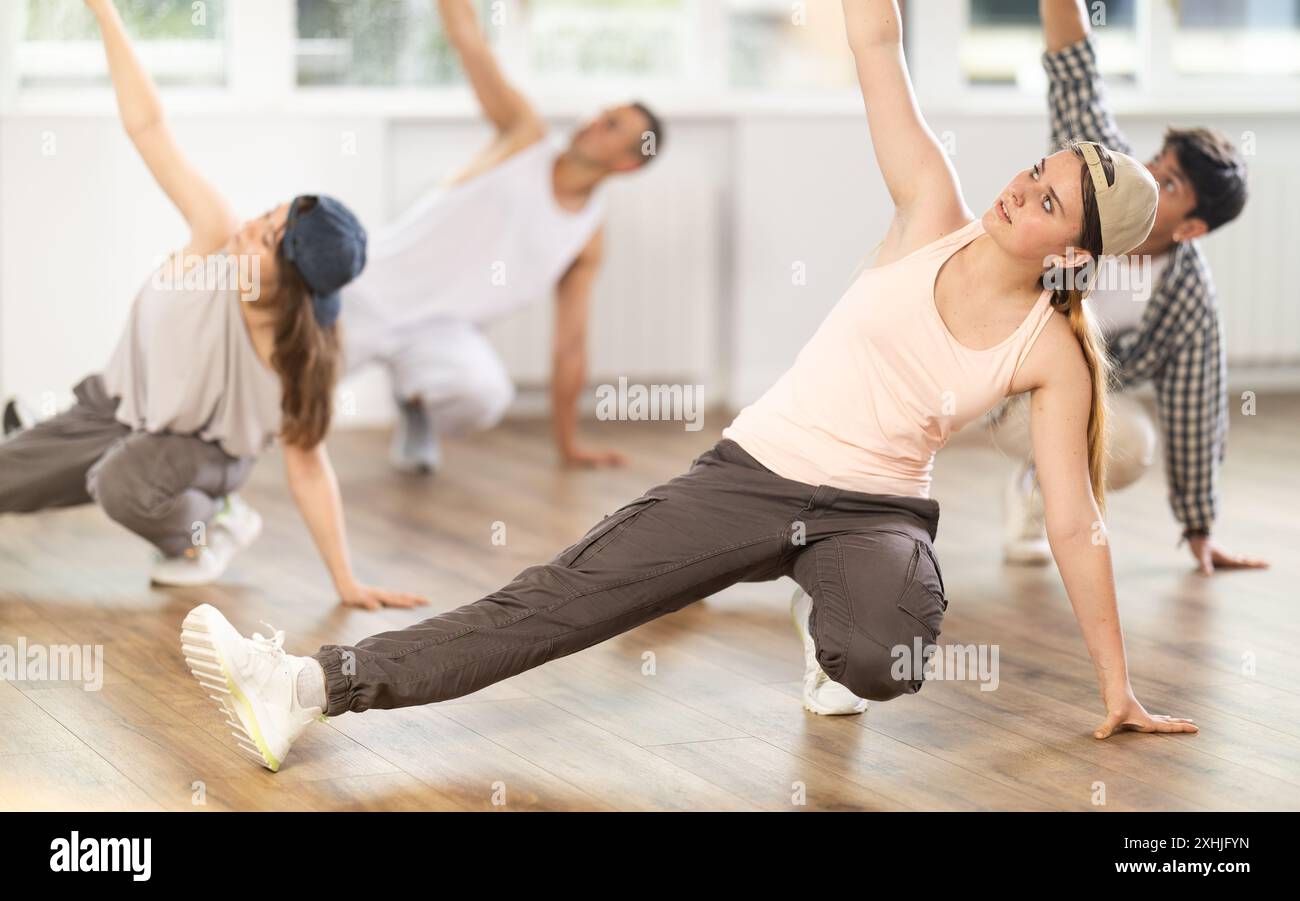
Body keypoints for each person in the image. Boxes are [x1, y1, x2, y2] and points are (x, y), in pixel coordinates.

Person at [179, 0, 1197, 775]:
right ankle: (305, 684)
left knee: (883, 657)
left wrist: (1116, 686)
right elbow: (877, 48)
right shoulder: (933, 205)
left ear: (1078, 248)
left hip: (875, 513)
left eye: (1047, 199)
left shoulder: (1049, 350)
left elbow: (1076, 524)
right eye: (1033, 169)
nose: (1020, 188)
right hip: (749, 473)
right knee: (553, 604)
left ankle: (830, 623)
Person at [0, 0, 426, 610]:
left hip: (199, 457)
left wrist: (345, 582)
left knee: (122, 482)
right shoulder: (216, 231)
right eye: (270, 212)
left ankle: (210, 528)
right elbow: (148, 127)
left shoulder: (294, 363)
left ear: (293, 283)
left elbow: (308, 469)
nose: (252, 223)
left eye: (269, 237)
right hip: (111, 412)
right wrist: (104, 12)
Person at [993, 0, 1266, 576]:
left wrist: (1199, 528)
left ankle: (1038, 484)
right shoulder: (1106, 179)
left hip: (1060, 394)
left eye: (1168, 183)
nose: (1148, 177)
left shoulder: (1188, 300)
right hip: (996, 360)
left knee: (1132, 444)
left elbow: (1196, 408)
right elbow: (1075, 72)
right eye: (1157, 162)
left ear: (1191, 229)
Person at [344, 0, 665, 475]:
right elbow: (470, 44)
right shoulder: (524, 137)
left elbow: (570, 345)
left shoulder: (586, 240)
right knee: (280, 398)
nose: (593, 122)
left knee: (485, 393)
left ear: (627, 162)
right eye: (600, 113)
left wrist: (569, 445)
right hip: (365, 291)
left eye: (612, 125)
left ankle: (416, 403)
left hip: (442, 332)